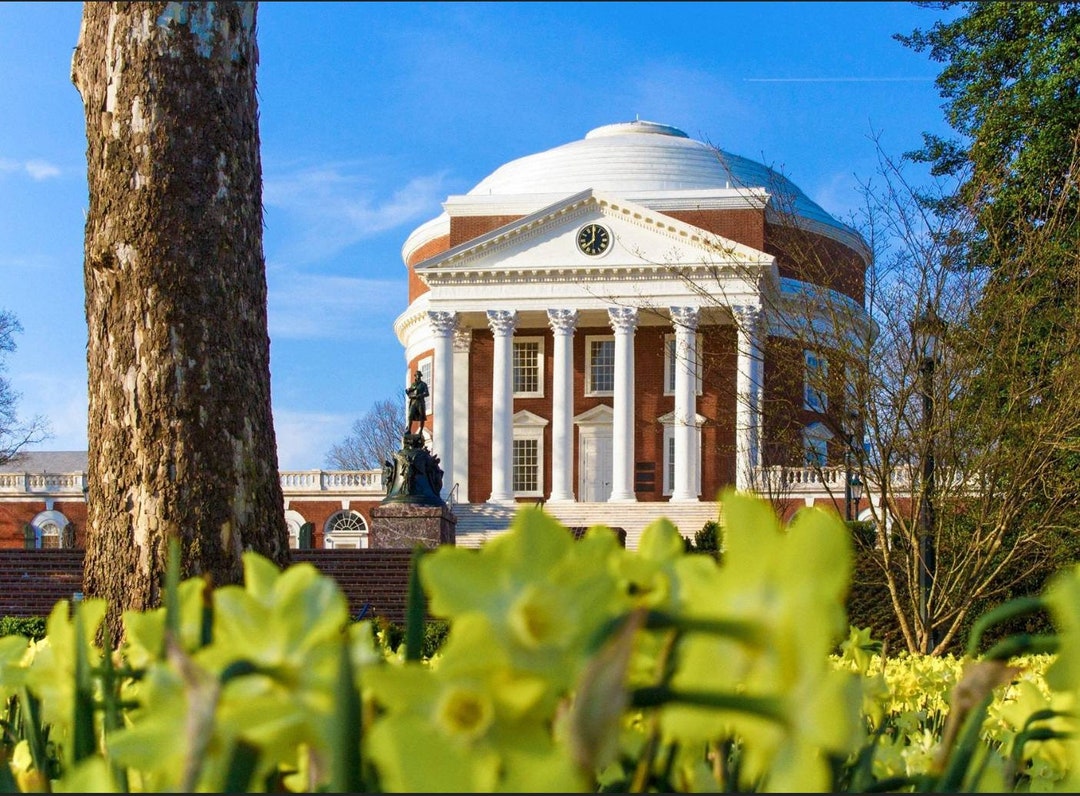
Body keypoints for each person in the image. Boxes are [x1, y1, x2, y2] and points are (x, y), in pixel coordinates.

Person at [405, 370, 429, 434]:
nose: (417, 376)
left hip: (420, 402)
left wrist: (420, 395)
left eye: (418, 375)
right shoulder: (413, 385)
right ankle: (409, 430)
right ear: (415, 376)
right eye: (416, 375)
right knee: (410, 415)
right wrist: (407, 392)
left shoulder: (423, 384)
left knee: (422, 416)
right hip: (413, 402)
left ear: (420, 376)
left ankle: (421, 430)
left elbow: (427, 393)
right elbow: (410, 391)